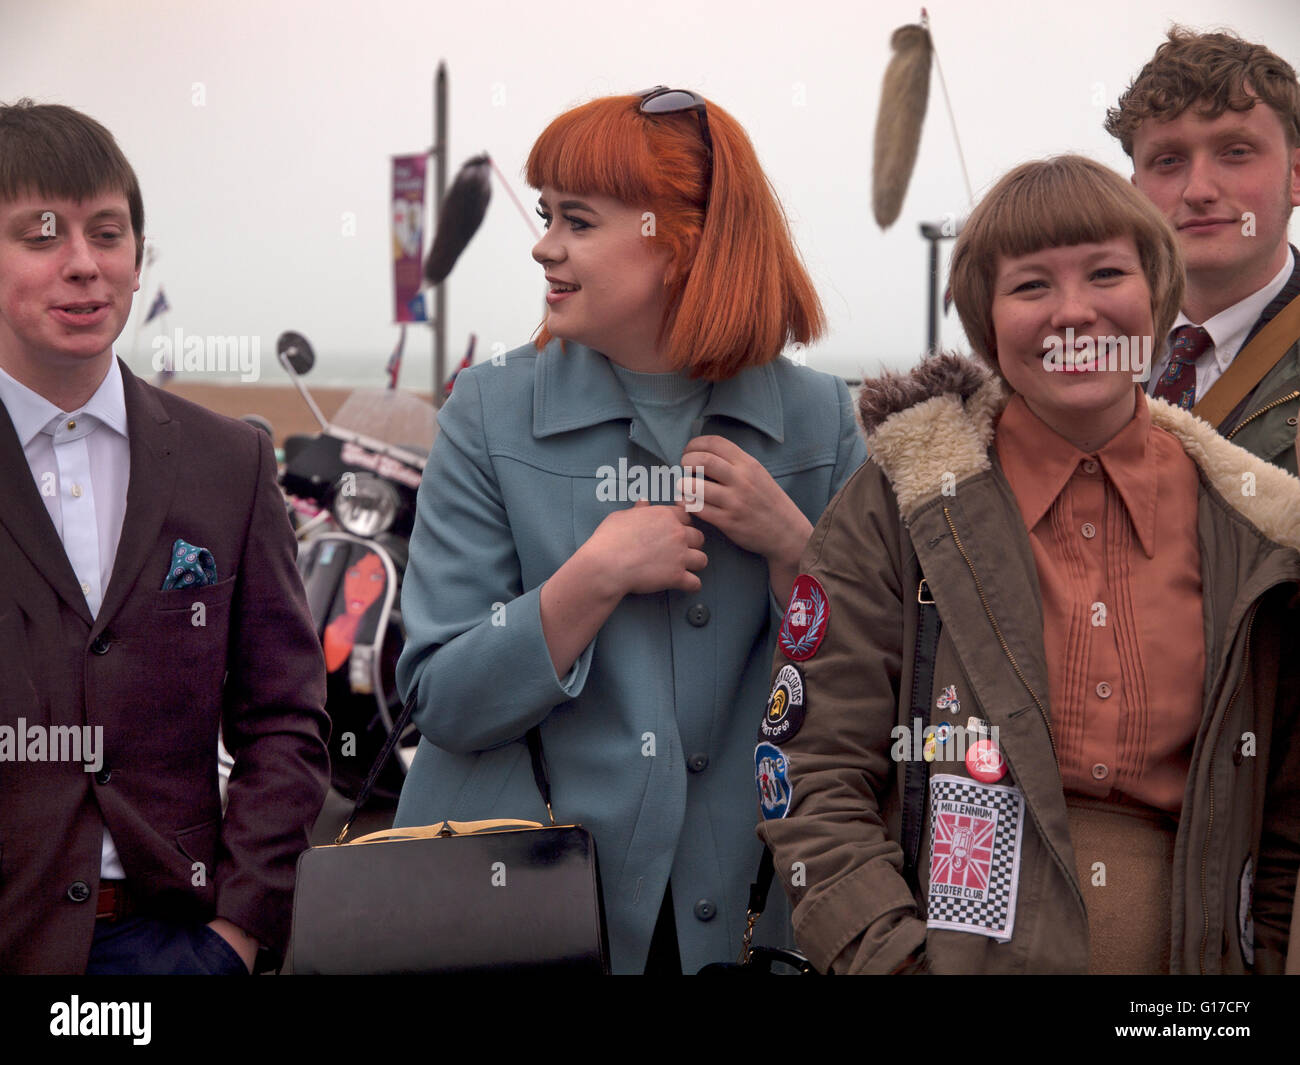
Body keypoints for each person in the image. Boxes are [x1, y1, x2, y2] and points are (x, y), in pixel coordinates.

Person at [757, 154, 1300, 974]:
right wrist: (893, 961)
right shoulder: (901, 506)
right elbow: (811, 769)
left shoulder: (1253, 531)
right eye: (1032, 285)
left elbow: (1284, 817)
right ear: (987, 318)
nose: (1073, 312)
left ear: (1156, 294)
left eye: (1106, 273)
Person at [393, 88, 867, 974]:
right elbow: (440, 698)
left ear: (678, 244)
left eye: (578, 220)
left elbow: (864, 709)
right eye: (546, 215)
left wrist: (796, 552)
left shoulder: (823, 423)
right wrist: (591, 577)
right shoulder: (486, 412)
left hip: (746, 920)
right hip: (511, 920)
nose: (544, 244)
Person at [0, 100, 330, 974]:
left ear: (139, 258)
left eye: (107, 233)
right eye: (41, 235)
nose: (83, 265)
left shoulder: (232, 463)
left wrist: (237, 935)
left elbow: (287, 718)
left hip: (171, 944)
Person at [1106, 27, 1300, 474]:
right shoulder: (1081, 350)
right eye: (1168, 160)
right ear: (1136, 195)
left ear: (1296, 175)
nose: (1198, 190)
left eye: (1235, 151)